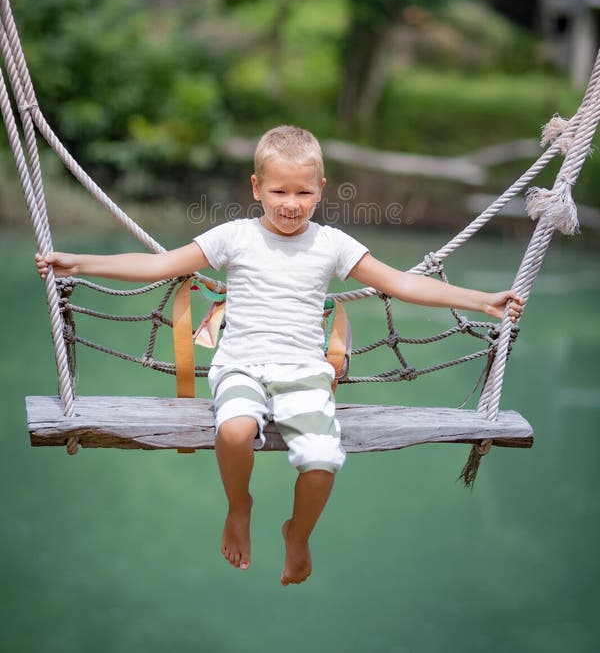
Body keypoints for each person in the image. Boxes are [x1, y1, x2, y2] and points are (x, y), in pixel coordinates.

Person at [35, 125, 524, 586]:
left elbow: (402, 283)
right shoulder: (235, 237)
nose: (291, 205)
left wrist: (481, 300)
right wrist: (78, 262)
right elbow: (159, 265)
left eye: (303, 193)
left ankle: (298, 534)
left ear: (321, 189)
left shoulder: (332, 244)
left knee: (320, 460)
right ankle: (238, 506)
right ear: (256, 188)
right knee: (234, 429)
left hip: (305, 373)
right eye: (279, 192)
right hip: (241, 365)